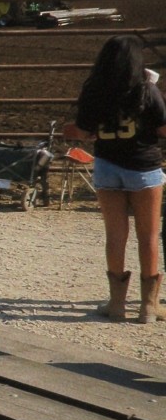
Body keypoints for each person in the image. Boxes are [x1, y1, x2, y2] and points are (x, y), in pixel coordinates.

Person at [63, 35, 166, 323]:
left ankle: (117, 304)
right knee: (148, 236)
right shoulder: (147, 91)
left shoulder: (94, 90)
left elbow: (83, 131)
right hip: (144, 168)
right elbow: (163, 129)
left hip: (108, 167)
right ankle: (148, 306)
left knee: (115, 236)